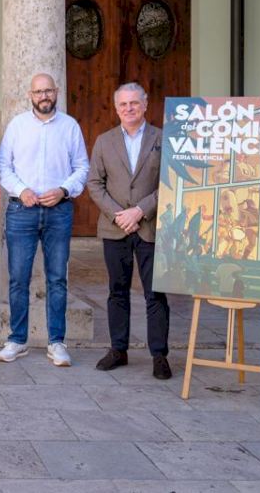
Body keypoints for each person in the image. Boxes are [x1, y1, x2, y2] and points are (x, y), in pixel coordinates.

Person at [0, 73, 89, 367]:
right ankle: (17, 339)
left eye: (48, 90)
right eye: (38, 92)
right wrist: (21, 190)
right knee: (18, 278)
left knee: (57, 278)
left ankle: (57, 342)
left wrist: (63, 190)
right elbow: (3, 165)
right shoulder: (18, 126)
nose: (44, 96)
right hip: (21, 210)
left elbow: (82, 167)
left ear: (57, 91)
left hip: (58, 211)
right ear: (30, 95)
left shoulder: (70, 126)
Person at [86, 82, 170, 379]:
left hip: (150, 227)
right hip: (115, 227)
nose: (129, 108)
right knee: (116, 291)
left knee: (155, 294)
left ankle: (159, 355)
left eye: (135, 103)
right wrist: (119, 214)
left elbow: (172, 182)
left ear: (145, 105)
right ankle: (118, 349)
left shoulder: (163, 138)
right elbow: (94, 183)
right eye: (123, 104)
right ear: (116, 107)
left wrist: (141, 210)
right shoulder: (105, 141)